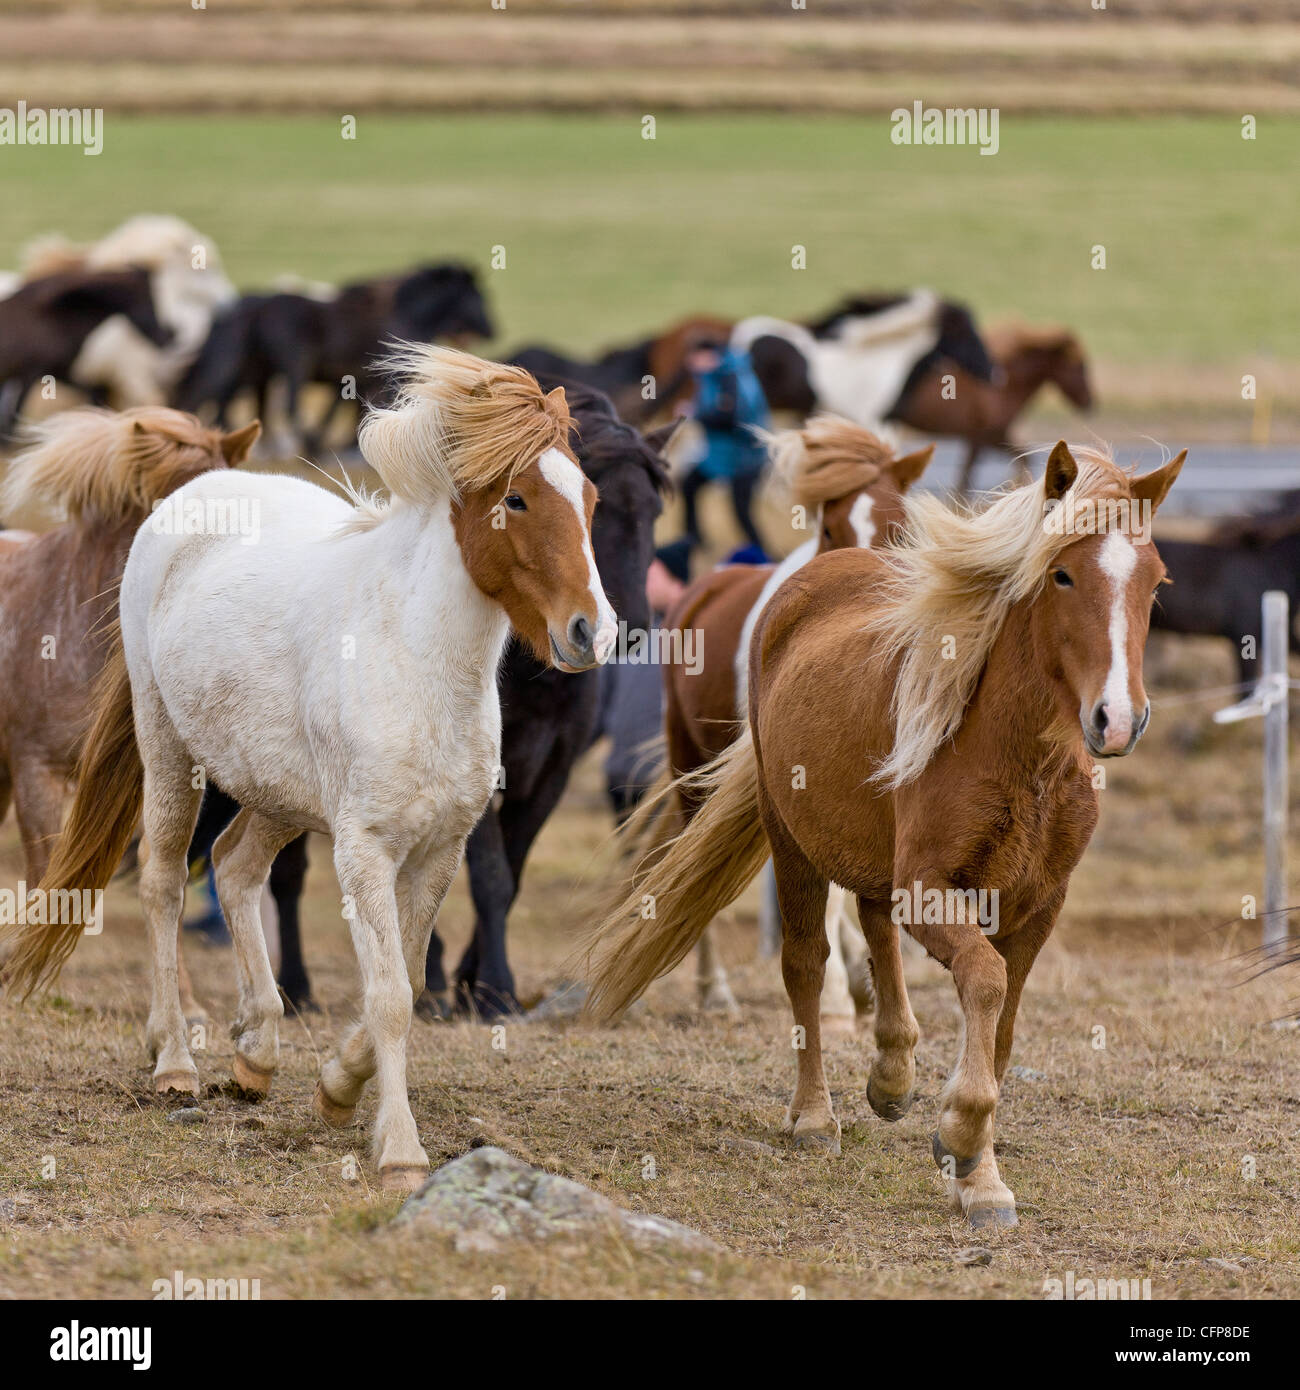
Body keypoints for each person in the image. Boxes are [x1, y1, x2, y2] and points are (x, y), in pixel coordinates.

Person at [597, 539, 692, 822]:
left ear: (677, 584)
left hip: (668, 782)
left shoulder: (695, 639)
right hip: (621, 777)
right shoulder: (627, 636)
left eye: (651, 575)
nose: (641, 582)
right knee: (631, 866)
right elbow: (600, 703)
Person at [680, 341, 770, 553]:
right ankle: (693, 539)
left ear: (709, 356)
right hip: (721, 455)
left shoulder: (732, 378)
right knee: (689, 485)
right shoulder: (716, 376)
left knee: (741, 511)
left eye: (695, 359)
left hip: (744, 458)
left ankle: (764, 554)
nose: (691, 364)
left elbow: (731, 419)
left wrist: (694, 415)